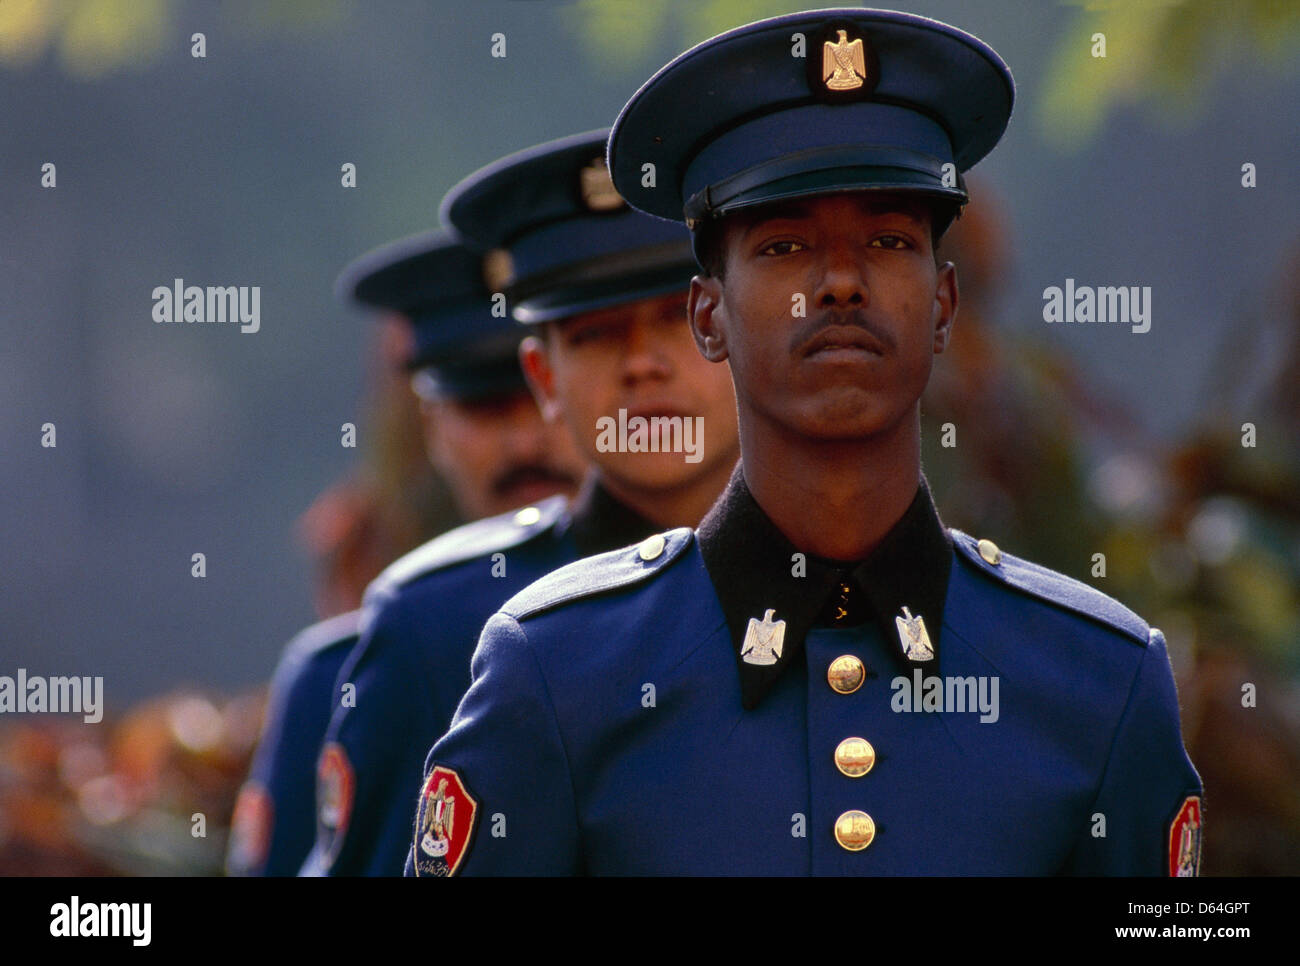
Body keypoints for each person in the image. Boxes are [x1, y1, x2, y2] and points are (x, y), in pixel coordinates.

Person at [407, 9, 1202, 876]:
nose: (840, 282)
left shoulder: (1098, 682)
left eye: (888, 240)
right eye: (785, 245)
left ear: (943, 304)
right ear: (708, 317)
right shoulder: (559, 676)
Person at [304, 131, 740, 876]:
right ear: (543, 376)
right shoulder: (433, 622)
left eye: (676, 318)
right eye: (595, 333)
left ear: (740, 328)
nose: (642, 363)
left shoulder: (849, 580)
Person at [227, 232, 582, 876]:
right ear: (430, 427)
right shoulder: (337, 678)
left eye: (546, 396)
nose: (527, 440)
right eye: (483, 405)